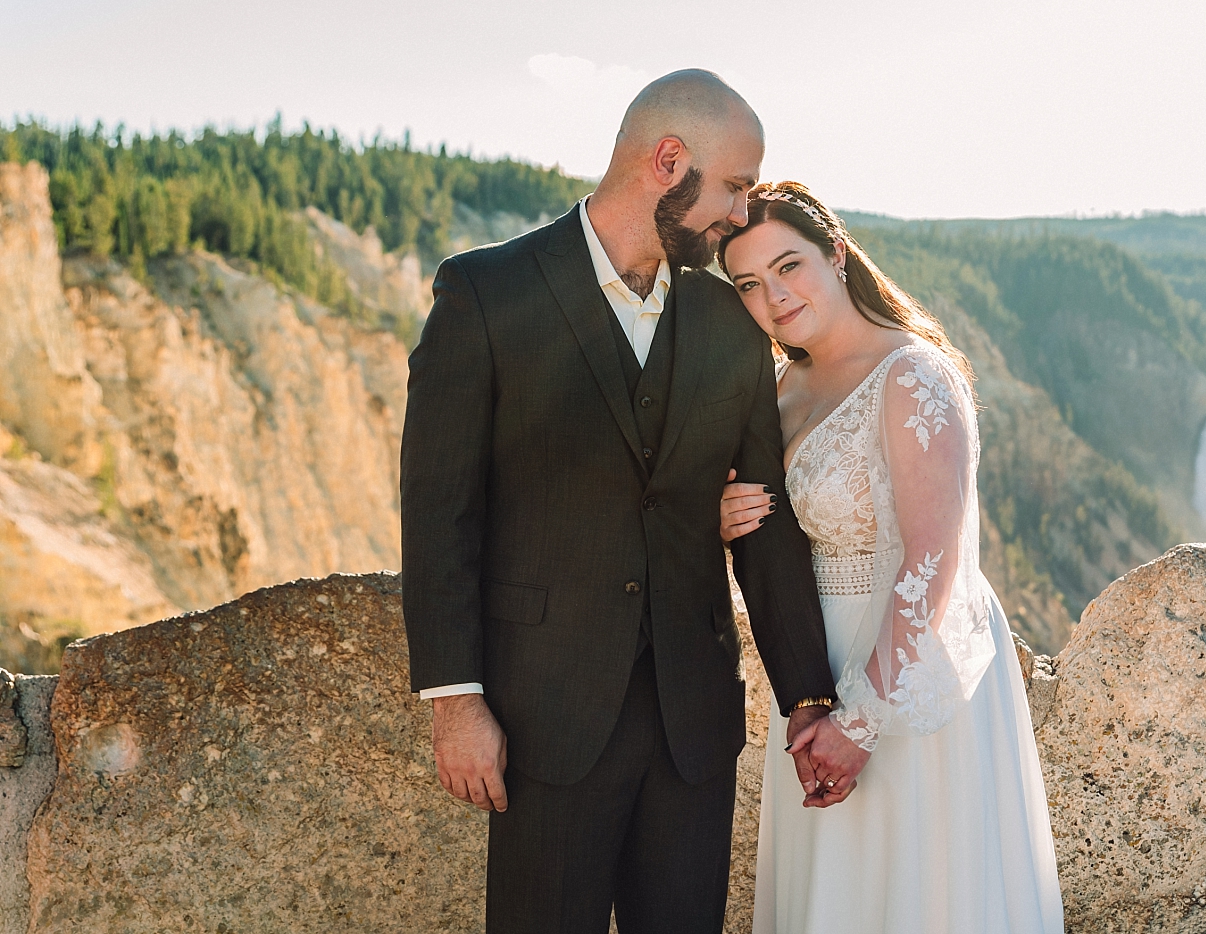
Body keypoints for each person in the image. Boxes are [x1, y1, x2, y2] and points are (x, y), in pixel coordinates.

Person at [400, 71, 862, 934]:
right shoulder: (487, 294)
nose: (739, 212)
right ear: (668, 160)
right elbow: (438, 513)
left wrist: (809, 692)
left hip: (694, 725)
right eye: (732, 187)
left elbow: (763, 523)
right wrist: (455, 702)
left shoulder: (731, 322)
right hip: (544, 718)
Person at [717, 182, 1065, 934]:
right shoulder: (781, 389)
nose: (774, 297)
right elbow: (775, 536)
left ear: (836, 254)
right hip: (812, 668)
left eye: (789, 267)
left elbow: (933, 563)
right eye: (749, 284)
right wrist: (719, 516)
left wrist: (864, 721)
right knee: (833, 893)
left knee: (916, 888)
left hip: (908, 669)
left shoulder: (912, 376)